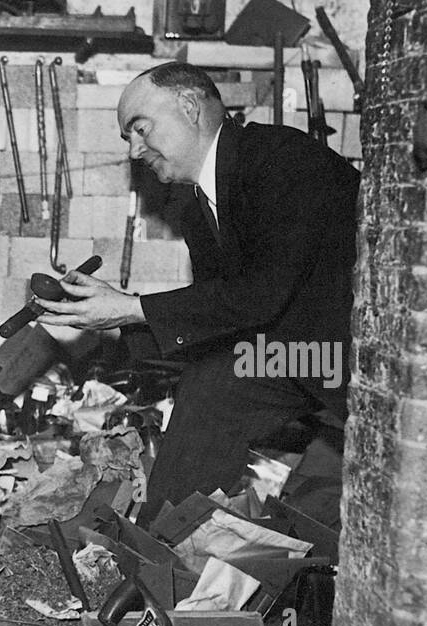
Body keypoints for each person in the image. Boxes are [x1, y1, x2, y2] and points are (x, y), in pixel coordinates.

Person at [36, 62, 360, 522]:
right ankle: (157, 545)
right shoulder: (198, 206)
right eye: (128, 137)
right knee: (213, 387)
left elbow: (261, 295)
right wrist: (105, 325)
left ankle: (163, 544)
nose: (133, 150)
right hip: (298, 353)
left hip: (345, 357)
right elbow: (220, 317)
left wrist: (130, 309)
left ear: (189, 107)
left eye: (140, 128)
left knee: (219, 385)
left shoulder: (282, 158)